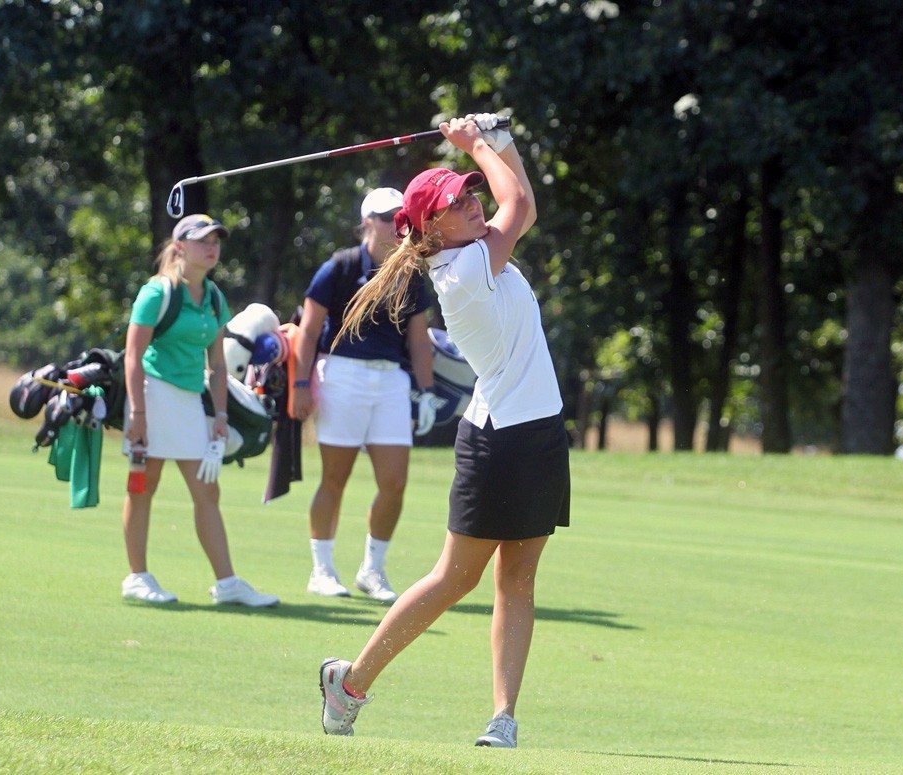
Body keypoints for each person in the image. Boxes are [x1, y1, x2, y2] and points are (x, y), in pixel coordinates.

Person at [317, 113, 570, 748]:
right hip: (499, 440)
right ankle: (349, 684)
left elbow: (519, 200)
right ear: (433, 227)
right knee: (457, 577)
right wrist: (477, 144)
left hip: (538, 433)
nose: (473, 201)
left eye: (469, 192)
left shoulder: (480, 248)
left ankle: (503, 719)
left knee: (520, 580)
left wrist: (498, 138)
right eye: (458, 201)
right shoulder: (461, 272)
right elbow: (516, 199)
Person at [120, 213, 279, 608]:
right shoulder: (156, 292)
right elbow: (133, 358)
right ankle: (137, 577)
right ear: (180, 248)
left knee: (207, 491)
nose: (212, 248)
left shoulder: (213, 296)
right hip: (151, 396)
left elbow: (218, 366)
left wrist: (222, 418)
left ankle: (227, 584)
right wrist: (138, 415)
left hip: (190, 401)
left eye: (216, 241)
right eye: (202, 241)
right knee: (143, 485)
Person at [291, 188, 437, 603]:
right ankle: (321, 570)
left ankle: (373, 570)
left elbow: (420, 340)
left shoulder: (409, 273)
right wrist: (301, 384)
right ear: (367, 221)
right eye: (386, 217)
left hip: (391, 381)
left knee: (394, 482)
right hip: (342, 375)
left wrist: (425, 393)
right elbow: (308, 330)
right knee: (334, 479)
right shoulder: (339, 267)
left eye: (400, 217)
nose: (396, 224)